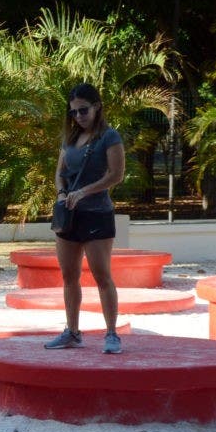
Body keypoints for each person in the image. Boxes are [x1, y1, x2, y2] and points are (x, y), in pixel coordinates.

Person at [45, 83, 126, 354]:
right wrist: (61, 193)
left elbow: (116, 175)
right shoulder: (70, 139)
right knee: (69, 275)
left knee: (102, 275)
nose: (78, 116)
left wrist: (83, 192)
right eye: (74, 113)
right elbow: (59, 172)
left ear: (97, 107)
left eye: (83, 110)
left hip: (97, 214)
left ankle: (112, 334)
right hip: (69, 214)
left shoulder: (109, 136)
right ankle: (72, 332)